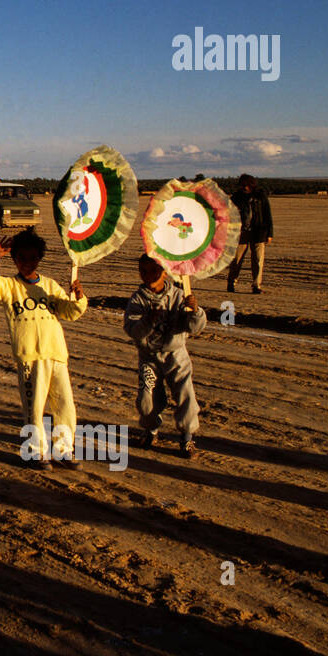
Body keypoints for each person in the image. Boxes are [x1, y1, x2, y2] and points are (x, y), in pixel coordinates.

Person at [0, 229, 87, 468]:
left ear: (39, 257)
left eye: (32, 258)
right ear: (15, 259)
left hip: (56, 354)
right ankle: (35, 451)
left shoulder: (49, 286)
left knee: (65, 406)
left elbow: (70, 312)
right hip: (29, 357)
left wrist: (79, 297)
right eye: (22, 258)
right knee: (34, 407)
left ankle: (64, 450)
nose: (27, 263)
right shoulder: (9, 287)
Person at [123, 254, 206, 457]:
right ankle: (151, 430)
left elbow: (194, 328)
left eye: (154, 271)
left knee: (185, 394)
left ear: (163, 272)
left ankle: (187, 437)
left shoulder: (179, 296)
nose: (148, 276)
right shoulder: (137, 299)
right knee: (147, 396)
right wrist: (148, 321)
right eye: (144, 271)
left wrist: (195, 311)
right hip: (149, 357)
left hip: (175, 356)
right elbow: (132, 329)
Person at [226, 173, 273, 294]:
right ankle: (231, 283)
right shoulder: (237, 197)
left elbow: (268, 215)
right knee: (237, 260)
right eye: (241, 185)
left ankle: (256, 286)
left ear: (250, 185)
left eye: (245, 185)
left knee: (258, 260)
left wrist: (270, 234)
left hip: (259, 233)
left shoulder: (261, 196)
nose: (243, 187)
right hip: (242, 233)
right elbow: (228, 211)